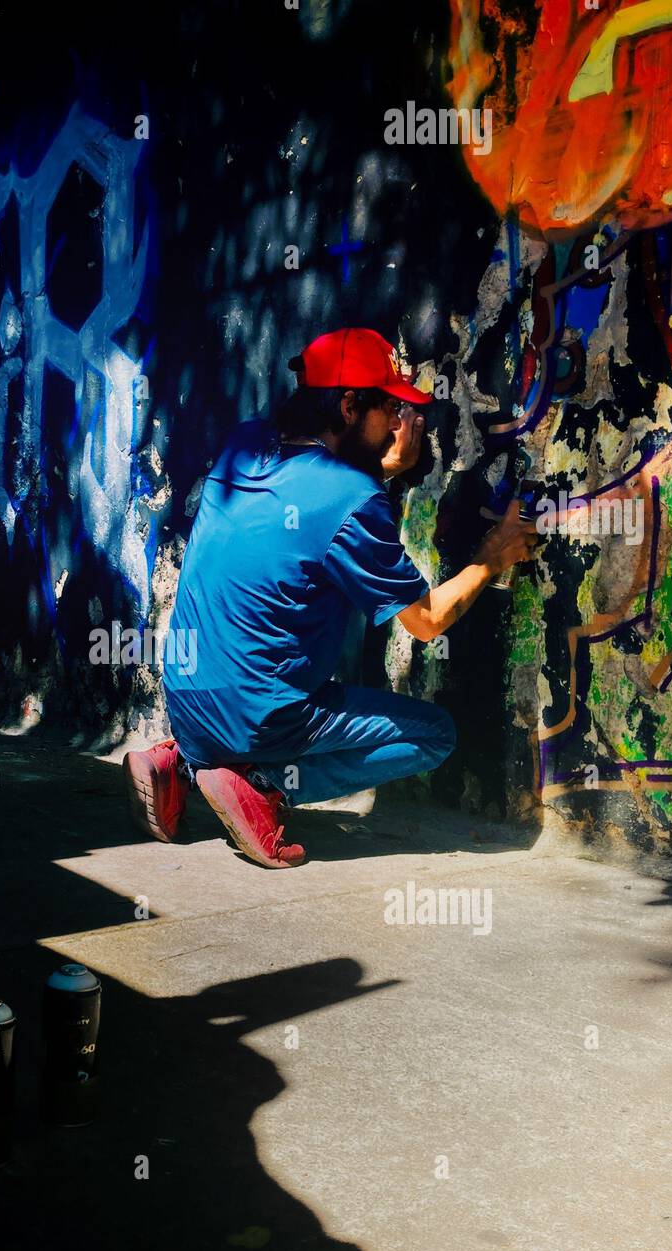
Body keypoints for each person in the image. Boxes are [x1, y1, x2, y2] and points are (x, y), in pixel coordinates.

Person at [123, 327, 538, 868]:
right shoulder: (354, 498)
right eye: (390, 407)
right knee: (435, 735)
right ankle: (265, 785)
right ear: (348, 405)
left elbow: (311, 514)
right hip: (255, 716)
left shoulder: (244, 445)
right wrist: (494, 555)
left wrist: (372, 473)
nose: (403, 423)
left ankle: (179, 763)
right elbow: (427, 621)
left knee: (314, 604)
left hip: (185, 699)